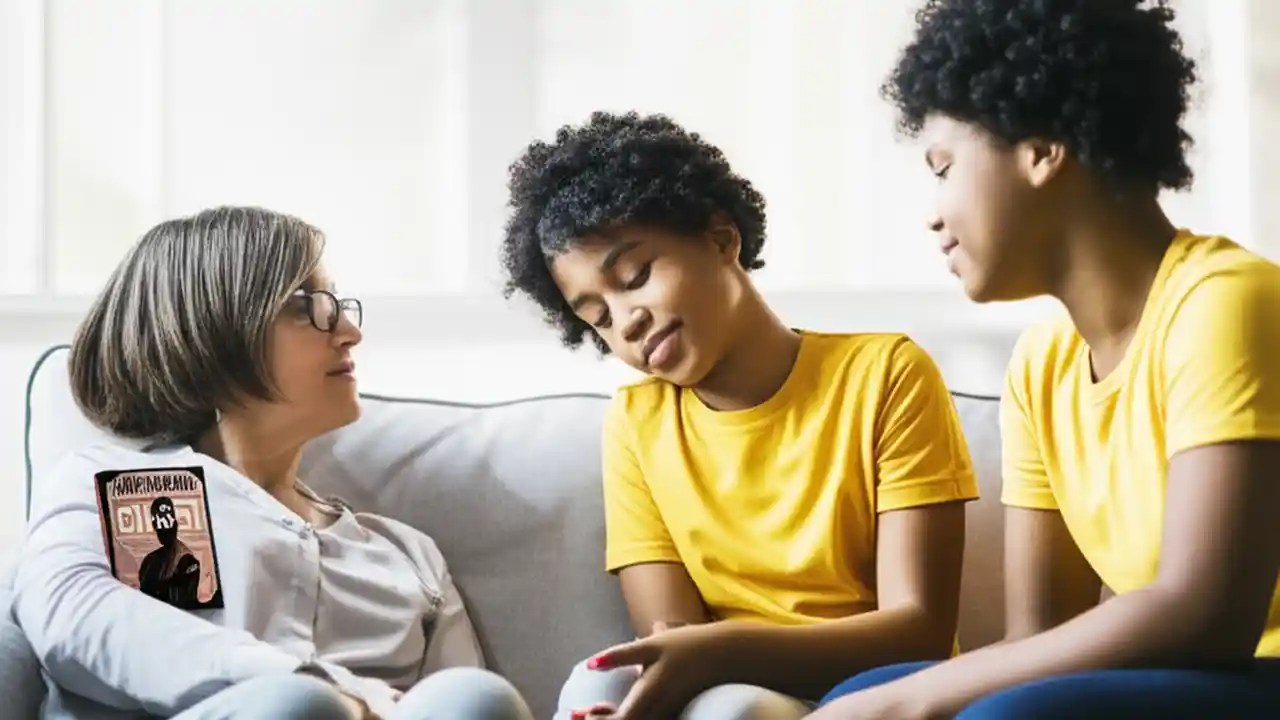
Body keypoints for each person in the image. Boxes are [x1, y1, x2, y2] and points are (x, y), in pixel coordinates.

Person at [812, 1, 1280, 718]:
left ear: (1041, 148)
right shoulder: (1042, 367)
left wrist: (913, 704)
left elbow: (1208, 611)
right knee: (860, 691)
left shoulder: (1228, 300)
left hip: (1260, 667)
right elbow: (1040, 637)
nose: (932, 213)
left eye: (944, 167)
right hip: (1197, 677)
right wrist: (893, 698)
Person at [499, 112, 979, 719]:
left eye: (635, 276)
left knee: (734, 712)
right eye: (597, 317)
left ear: (722, 239)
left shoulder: (885, 373)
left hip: (870, 690)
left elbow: (921, 632)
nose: (627, 321)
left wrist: (717, 650)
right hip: (719, 686)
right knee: (596, 688)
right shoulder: (636, 422)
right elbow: (667, 634)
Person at [13, 206, 535, 720]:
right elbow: (76, 618)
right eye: (310, 305)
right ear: (212, 327)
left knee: (475, 699)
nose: (349, 331)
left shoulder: (404, 555)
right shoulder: (142, 489)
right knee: (299, 708)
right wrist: (314, 685)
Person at [137, 496, 201, 606]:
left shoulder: (187, 561)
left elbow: (184, 600)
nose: (163, 533)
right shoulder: (150, 561)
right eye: (161, 530)